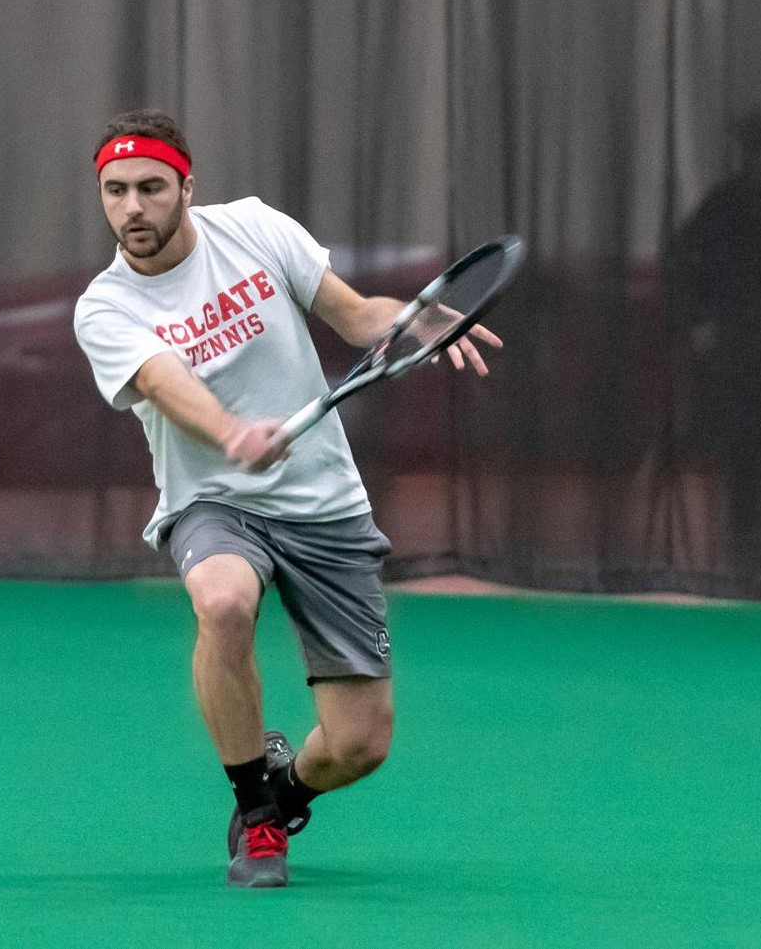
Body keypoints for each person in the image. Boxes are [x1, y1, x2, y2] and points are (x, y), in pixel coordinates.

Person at [72, 109, 503, 888]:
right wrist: (230, 432)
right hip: (214, 499)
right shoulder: (105, 306)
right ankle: (256, 817)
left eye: (151, 187)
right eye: (116, 190)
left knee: (359, 745)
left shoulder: (254, 229)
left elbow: (356, 315)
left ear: (186, 187)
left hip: (324, 503)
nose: (132, 206)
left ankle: (283, 788)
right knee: (222, 601)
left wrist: (410, 320)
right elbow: (163, 382)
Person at [664, 108, 761, 576]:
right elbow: (683, 255)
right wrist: (698, 321)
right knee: (741, 432)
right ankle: (743, 527)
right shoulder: (723, 202)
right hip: (731, 333)